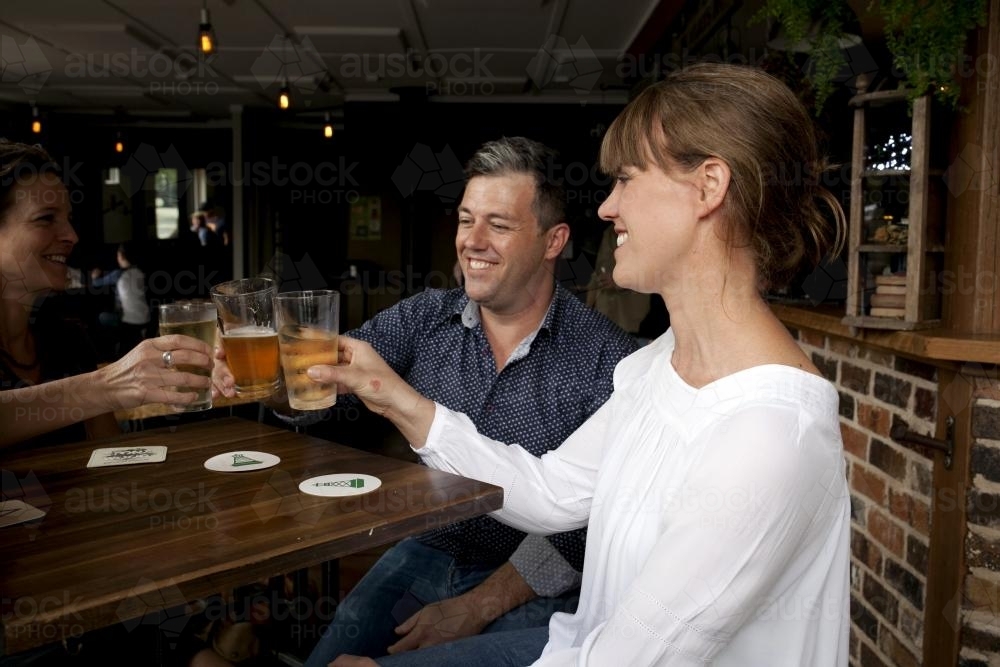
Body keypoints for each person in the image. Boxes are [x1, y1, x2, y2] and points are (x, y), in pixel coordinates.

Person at [309, 63, 851, 666]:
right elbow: (548, 491)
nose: (608, 207)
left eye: (627, 178)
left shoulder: (769, 435)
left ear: (708, 187)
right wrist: (390, 394)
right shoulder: (654, 367)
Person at [212, 137, 638, 667]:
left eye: (499, 225)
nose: (473, 242)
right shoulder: (424, 317)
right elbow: (327, 393)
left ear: (554, 242)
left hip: (530, 577)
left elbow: (594, 526)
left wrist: (478, 605)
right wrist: (271, 380)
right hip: (429, 546)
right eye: (465, 220)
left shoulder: (608, 358)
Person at [0, 139, 213, 451]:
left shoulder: (67, 338)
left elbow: (111, 458)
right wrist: (108, 384)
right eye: (46, 218)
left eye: (68, 219)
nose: (71, 236)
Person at [584, 224, 651, 340]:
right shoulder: (610, 232)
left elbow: (653, 272)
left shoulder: (646, 232)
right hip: (604, 317)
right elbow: (599, 272)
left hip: (630, 321)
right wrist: (586, 314)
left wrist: (619, 282)